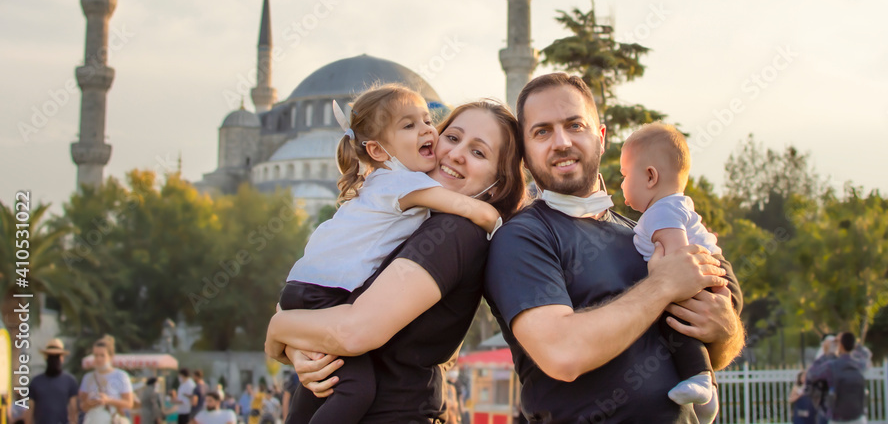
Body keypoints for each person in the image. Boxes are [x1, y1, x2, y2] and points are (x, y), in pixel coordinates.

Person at [485, 72, 744, 423]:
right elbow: (563, 353)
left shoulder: (643, 234)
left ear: (601, 137)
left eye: (575, 125)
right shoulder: (523, 238)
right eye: (542, 131)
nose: (561, 142)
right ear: (526, 154)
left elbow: (715, 348)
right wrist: (664, 285)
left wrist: (726, 330)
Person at [265, 100, 526, 424]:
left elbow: (354, 332)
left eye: (479, 153)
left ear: (497, 184)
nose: (457, 154)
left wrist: (279, 329)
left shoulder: (453, 230)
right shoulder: (403, 219)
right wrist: (297, 347)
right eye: (453, 137)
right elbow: (325, 304)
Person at [619, 122, 728, 423]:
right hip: (714, 272)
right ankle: (707, 391)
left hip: (705, 276)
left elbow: (680, 264)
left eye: (625, 176)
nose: (621, 185)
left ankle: (701, 380)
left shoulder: (660, 213)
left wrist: (659, 287)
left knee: (673, 317)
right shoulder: (667, 208)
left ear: (650, 176)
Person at [809, 332, 868, 424]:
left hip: (838, 418)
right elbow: (866, 355)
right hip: (858, 417)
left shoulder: (831, 366)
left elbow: (812, 373)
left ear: (840, 345)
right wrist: (853, 344)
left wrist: (826, 353)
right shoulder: (860, 364)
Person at [79, 335, 135, 422]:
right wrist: (92, 402)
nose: (99, 359)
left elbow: (129, 403)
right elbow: (83, 406)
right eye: (96, 355)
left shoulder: (121, 376)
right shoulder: (88, 377)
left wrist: (108, 400)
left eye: (102, 355)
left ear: (110, 356)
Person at [26, 338, 79, 424]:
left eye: (57, 356)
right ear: (46, 357)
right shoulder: (36, 382)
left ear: (62, 358)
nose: (54, 360)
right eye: (51, 356)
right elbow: (30, 409)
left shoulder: (70, 381)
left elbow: (74, 409)